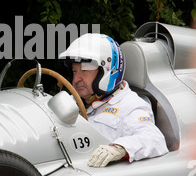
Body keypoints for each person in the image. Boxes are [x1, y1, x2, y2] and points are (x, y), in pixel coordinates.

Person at [59, 33, 168, 167]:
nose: (76, 80)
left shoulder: (131, 105)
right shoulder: (69, 102)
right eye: (75, 71)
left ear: (107, 70)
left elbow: (155, 139)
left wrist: (119, 148)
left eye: (85, 70)